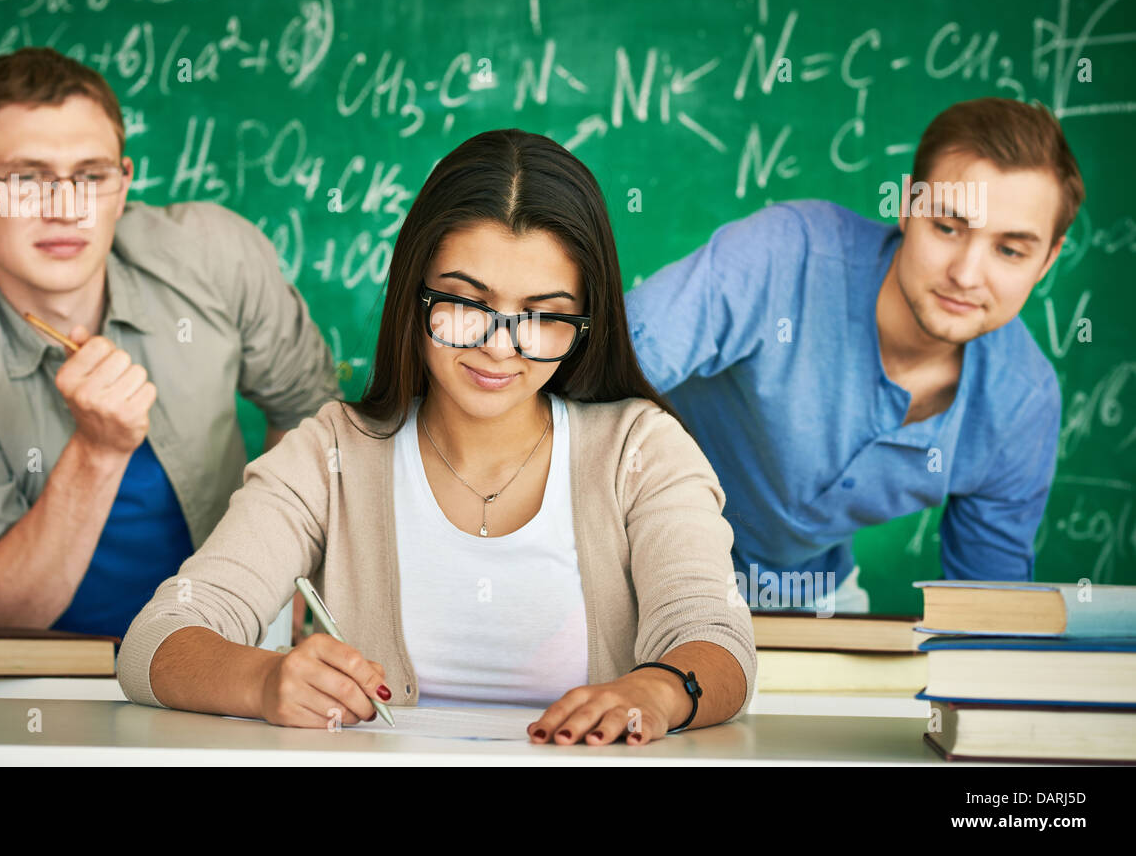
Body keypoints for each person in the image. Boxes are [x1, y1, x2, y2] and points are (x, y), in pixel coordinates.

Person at [117, 129, 756, 746]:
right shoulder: (332, 453)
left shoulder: (640, 451)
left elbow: (717, 642)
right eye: (465, 302)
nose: (498, 346)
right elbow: (158, 637)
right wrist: (263, 680)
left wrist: (658, 692)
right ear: (414, 293)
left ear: (584, 322)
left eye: (543, 317)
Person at [0, 47, 341, 637]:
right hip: (36, 687)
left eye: (90, 177)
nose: (66, 210)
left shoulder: (215, 254)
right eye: (26, 180)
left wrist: (275, 599)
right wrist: (97, 451)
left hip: (223, 657)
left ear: (122, 187)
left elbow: (310, 411)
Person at [625, 97, 1083, 614]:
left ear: (1048, 259)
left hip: (810, 589)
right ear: (908, 207)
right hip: (641, 556)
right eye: (948, 227)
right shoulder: (786, 254)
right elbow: (600, 369)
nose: (967, 273)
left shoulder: (1023, 402)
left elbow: (989, 610)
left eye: (1010, 250)